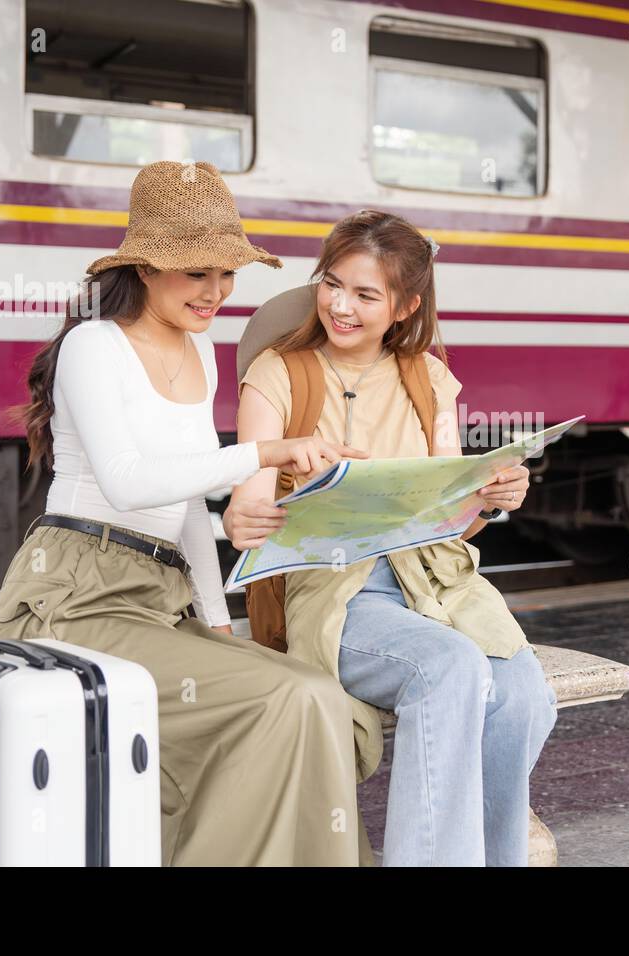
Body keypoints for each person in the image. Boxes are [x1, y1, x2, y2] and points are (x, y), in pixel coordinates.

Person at [0, 160, 372, 866]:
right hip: (75, 598)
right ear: (147, 267)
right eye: (198, 272)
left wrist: (218, 622)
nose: (217, 292)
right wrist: (262, 451)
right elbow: (132, 485)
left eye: (227, 274)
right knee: (282, 700)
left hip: (161, 600)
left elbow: (188, 502)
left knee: (317, 694)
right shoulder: (93, 346)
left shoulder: (202, 349)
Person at [225, 209, 558, 866]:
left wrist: (491, 500)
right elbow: (246, 509)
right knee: (449, 668)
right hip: (339, 591)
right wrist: (252, 517)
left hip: (437, 583)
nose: (339, 306)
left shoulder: (427, 378)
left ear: (405, 307)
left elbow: (453, 517)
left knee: (523, 694)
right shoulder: (278, 372)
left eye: (365, 295)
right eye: (331, 283)